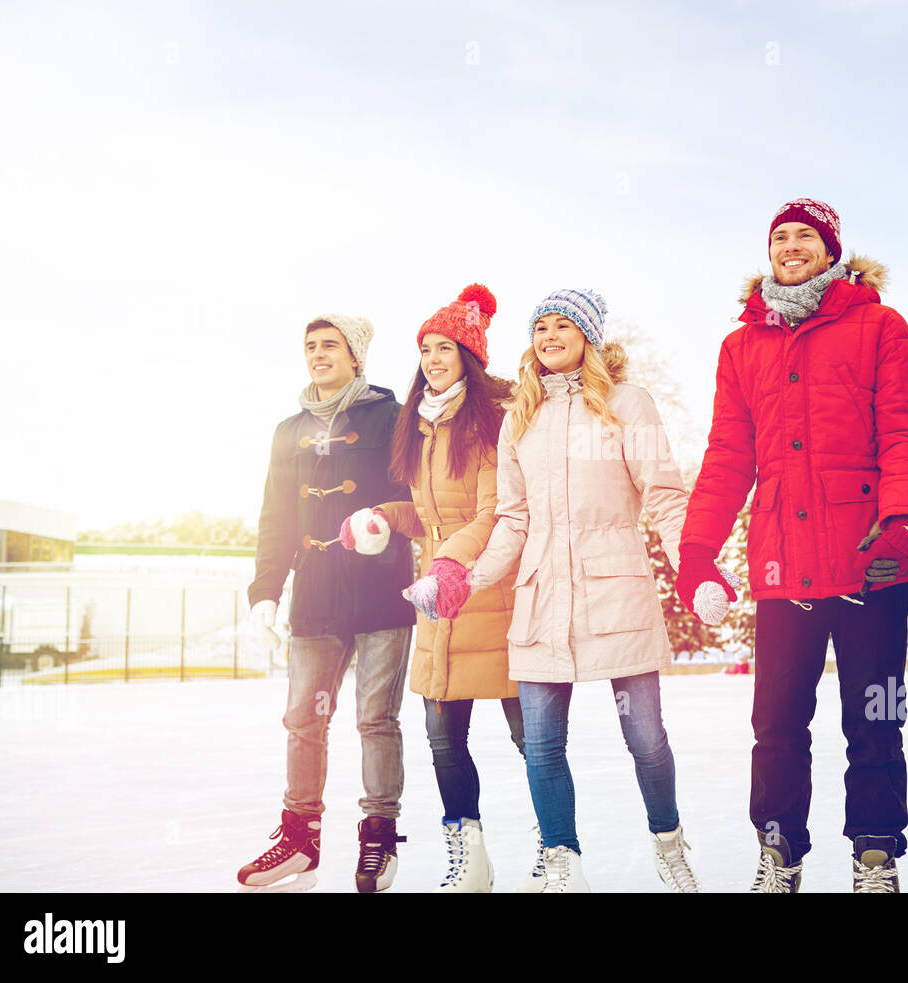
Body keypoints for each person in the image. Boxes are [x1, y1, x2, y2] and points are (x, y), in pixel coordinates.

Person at [406, 288, 732, 892]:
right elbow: (512, 519)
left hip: (616, 591)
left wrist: (698, 565)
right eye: (541, 328)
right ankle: (562, 860)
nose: (549, 337)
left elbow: (663, 494)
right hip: (539, 597)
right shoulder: (520, 418)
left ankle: (668, 842)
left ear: (588, 336)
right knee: (543, 742)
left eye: (563, 326)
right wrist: (467, 581)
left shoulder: (628, 403)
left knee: (646, 738)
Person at [678, 198, 908, 893]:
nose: (790, 246)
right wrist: (698, 550)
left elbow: (902, 431)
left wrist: (906, 520)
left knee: (874, 716)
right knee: (777, 722)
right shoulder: (741, 345)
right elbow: (728, 454)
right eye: (780, 237)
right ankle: (780, 849)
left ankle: (875, 854)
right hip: (781, 564)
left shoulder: (879, 325)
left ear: (831, 251)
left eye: (805, 237)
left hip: (867, 557)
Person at [340, 284, 539, 892]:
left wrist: (448, 565)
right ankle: (468, 858)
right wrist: (378, 517)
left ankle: (552, 846)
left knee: (532, 738)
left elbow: (490, 512)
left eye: (444, 347)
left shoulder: (488, 425)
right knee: (443, 739)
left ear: (469, 356)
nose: (431, 358)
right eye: (424, 347)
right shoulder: (421, 425)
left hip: (490, 592)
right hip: (438, 601)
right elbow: (430, 516)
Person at [237, 314, 415, 894]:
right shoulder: (287, 430)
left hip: (380, 592)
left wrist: (386, 521)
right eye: (310, 346)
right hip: (314, 596)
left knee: (375, 719)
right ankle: (300, 842)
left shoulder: (392, 418)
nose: (318, 354)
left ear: (355, 356)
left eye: (330, 345)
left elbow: (417, 497)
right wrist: (265, 591)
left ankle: (378, 837)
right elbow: (276, 516)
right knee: (303, 719)